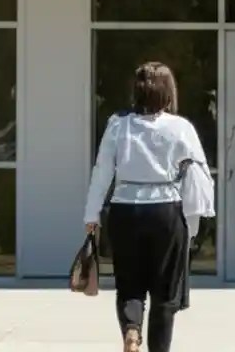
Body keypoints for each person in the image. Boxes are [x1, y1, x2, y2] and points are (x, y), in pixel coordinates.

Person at [83, 62, 214, 352]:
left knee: (129, 284)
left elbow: (102, 170)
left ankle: (131, 329)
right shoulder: (181, 127)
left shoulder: (118, 125)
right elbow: (199, 175)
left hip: (124, 208)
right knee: (165, 293)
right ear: (169, 93)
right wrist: (194, 223)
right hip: (166, 209)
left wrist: (92, 215)